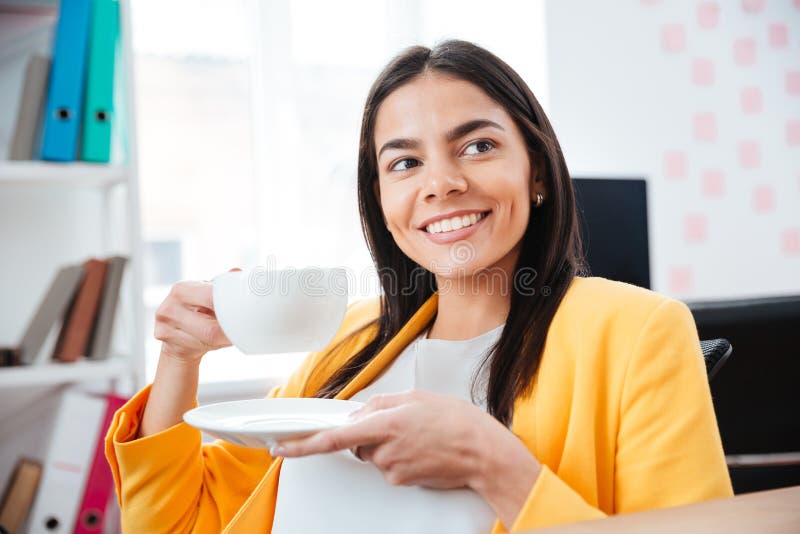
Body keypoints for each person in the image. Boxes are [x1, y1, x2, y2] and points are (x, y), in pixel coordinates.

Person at [105, 40, 733, 533]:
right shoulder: (347, 343)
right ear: (381, 200)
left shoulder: (639, 333)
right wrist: (179, 359)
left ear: (536, 170)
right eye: (404, 162)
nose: (441, 183)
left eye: (478, 145)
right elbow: (177, 524)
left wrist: (494, 467)